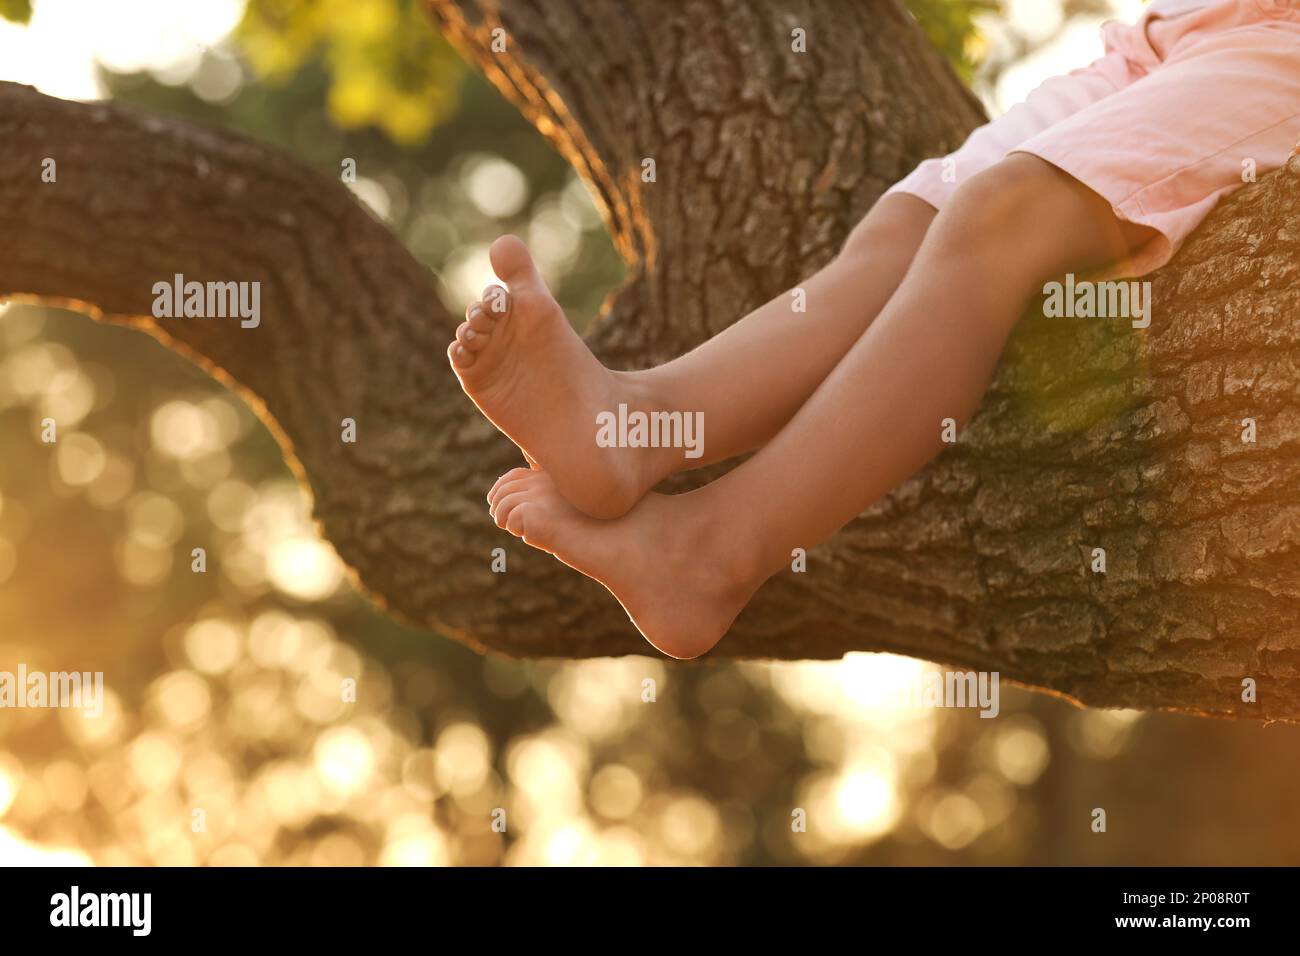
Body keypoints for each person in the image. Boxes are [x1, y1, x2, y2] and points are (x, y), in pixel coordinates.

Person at [446, 0, 1300, 658]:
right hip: (1164, 35)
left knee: (1000, 214)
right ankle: (635, 424)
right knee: (904, 225)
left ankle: (712, 553)